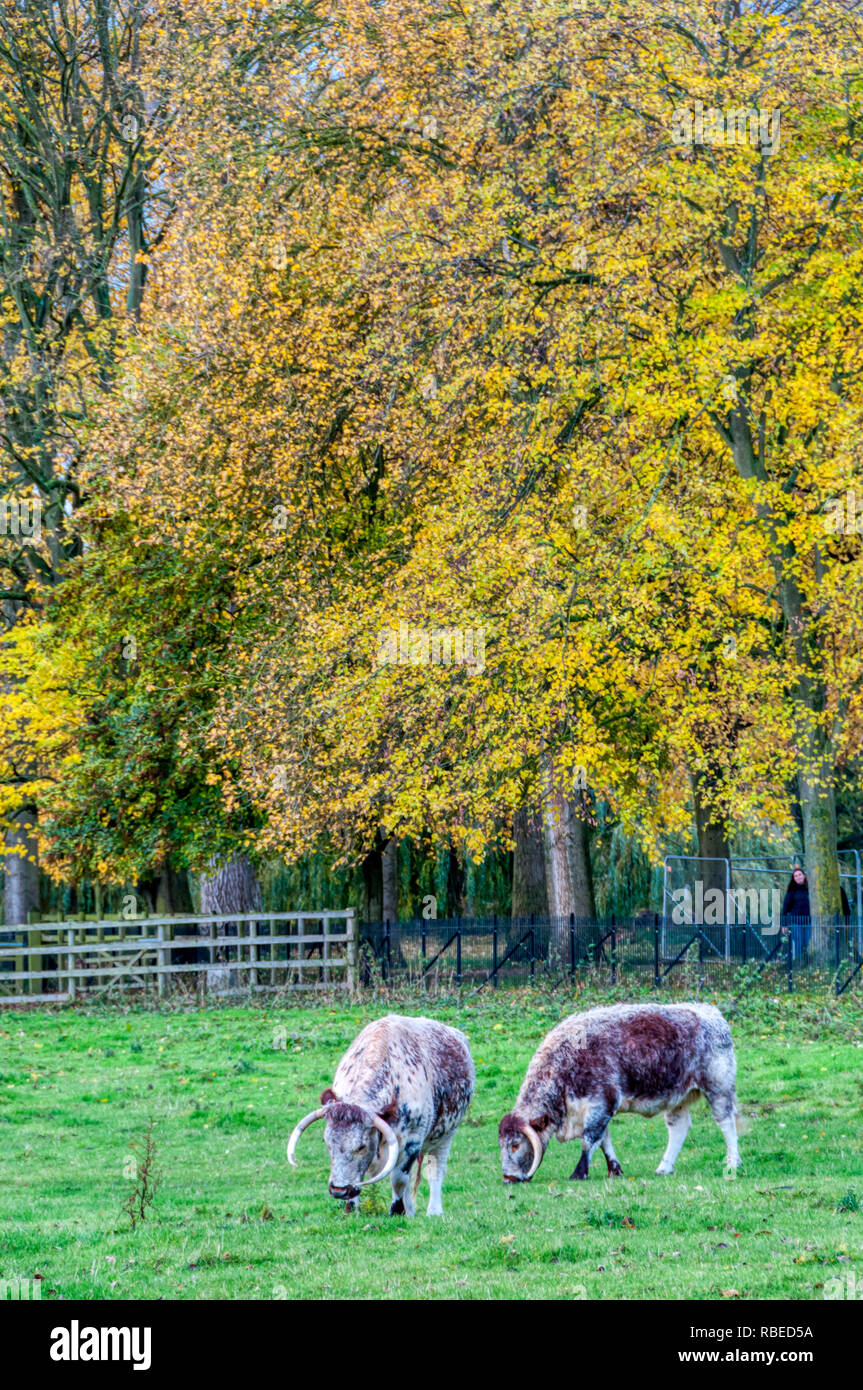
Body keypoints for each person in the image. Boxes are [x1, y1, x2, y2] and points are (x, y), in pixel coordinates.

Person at [781, 865, 851, 957]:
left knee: (807, 943)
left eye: (800, 875)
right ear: (793, 878)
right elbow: (785, 909)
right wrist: (784, 924)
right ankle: (798, 963)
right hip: (796, 923)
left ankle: (806, 963)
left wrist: (847, 921)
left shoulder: (812, 890)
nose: (798, 877)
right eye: (796, 876)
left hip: (810, 922)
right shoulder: (791, 892)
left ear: (804, 876)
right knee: (798, 943)